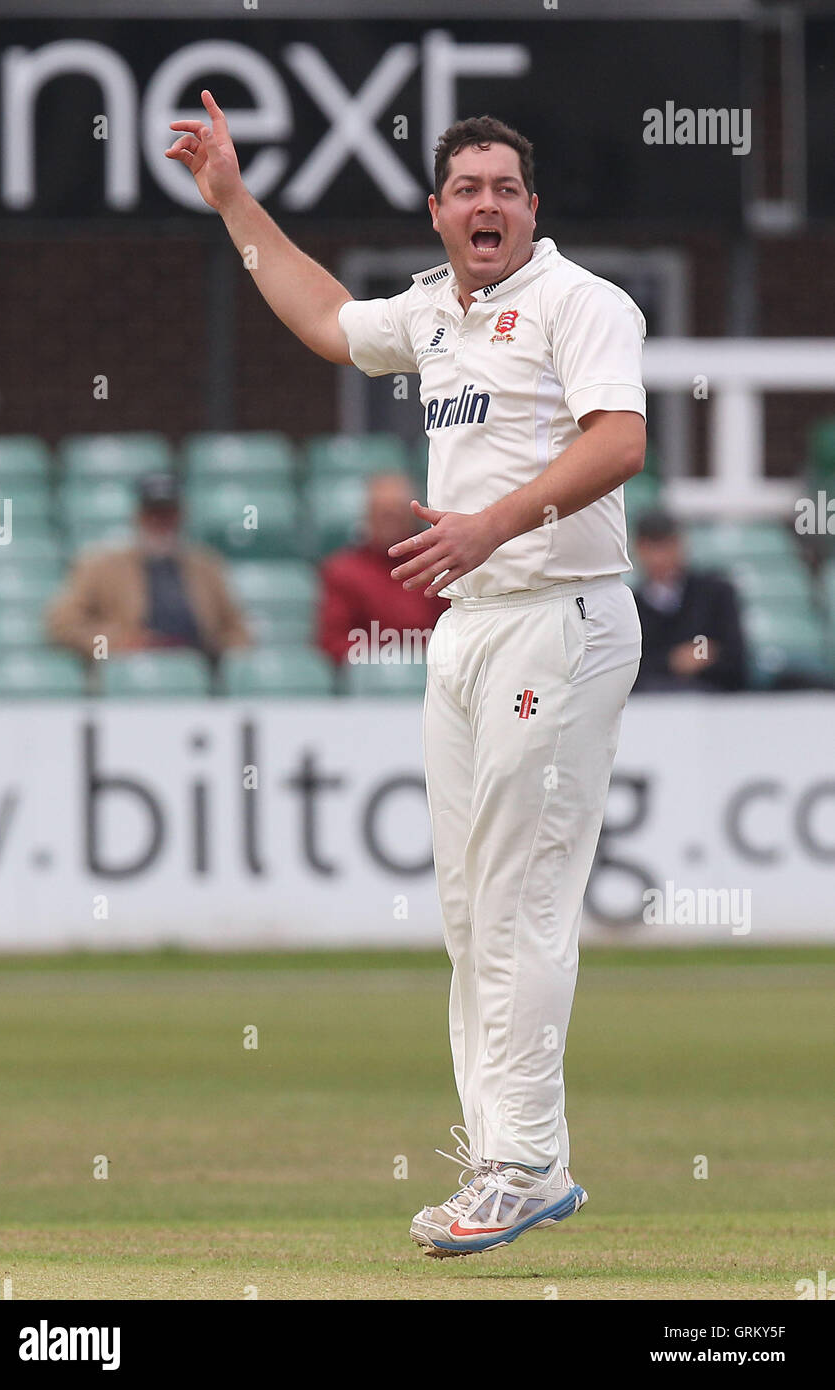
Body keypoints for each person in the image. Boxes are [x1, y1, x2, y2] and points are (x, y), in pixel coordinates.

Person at [166, 95, 646, 1258]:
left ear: (532, 209)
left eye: (504, 188)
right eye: (465, 189)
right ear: (437, 213)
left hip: (559, 613)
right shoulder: (434, 312)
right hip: (471, 623)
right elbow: (328, 320)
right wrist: (233, 199)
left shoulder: (581, 302)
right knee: (468, 903)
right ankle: (504, 1157)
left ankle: (524, 1161)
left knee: (521, 895)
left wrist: (492, 524)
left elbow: (618, 439)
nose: (485, 204)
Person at [47, 472, 250, 662]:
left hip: (198, 673)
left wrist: (215, 648)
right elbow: (62, 625)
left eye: (168, 514)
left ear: (181, 516)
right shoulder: (100, 566)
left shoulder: (207, 567)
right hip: (129, 672)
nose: (161, 522)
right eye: (153, 514)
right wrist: (117, 643)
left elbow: (239, 632)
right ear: (138, 516)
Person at [316, 471, 449, 670]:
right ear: (368, 516)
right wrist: (385, 659)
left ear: (412, 517)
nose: (390, 523)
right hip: (367, 684)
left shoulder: (436, 564)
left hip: (432, 673)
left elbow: (453, 630)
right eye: (383, 514)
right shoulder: (342, 570)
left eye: (397, 514)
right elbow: (333, 641)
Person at [632, 509, 747, 692]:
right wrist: (673, 661)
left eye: (667, 544)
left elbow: (737, 661)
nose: (660, 556)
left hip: (714, 702)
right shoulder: (630, 606)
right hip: (652, 707)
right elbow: (629, 672)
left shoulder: (715, 593)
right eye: (652, 546)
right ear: (638, 549)